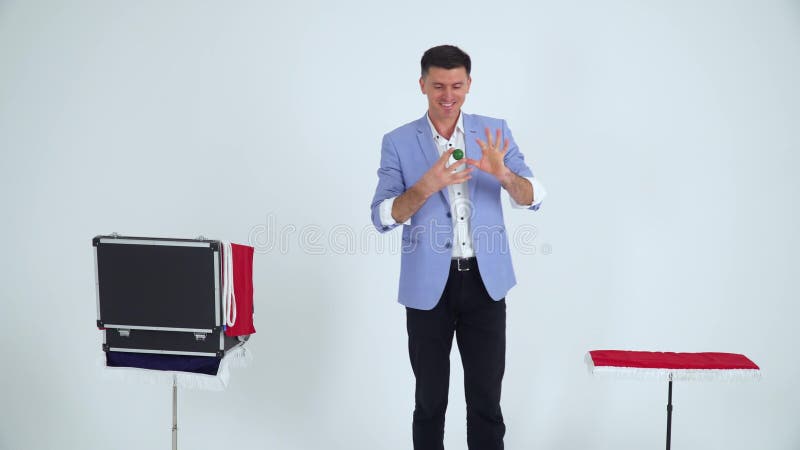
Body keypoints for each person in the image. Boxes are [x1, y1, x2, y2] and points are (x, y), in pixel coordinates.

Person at [370, 44, 546, 450]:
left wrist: (504, 176)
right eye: (438, 86)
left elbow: (535, 196)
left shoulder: (494, 132)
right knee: (429, 402)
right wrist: (425, 187)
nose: (448, 96)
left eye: (456, 86)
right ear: (422, 85)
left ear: (468, 84)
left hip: (486, 284)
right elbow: (381, 216)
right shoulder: (398, 142)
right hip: (427, 290)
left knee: (486, 402)